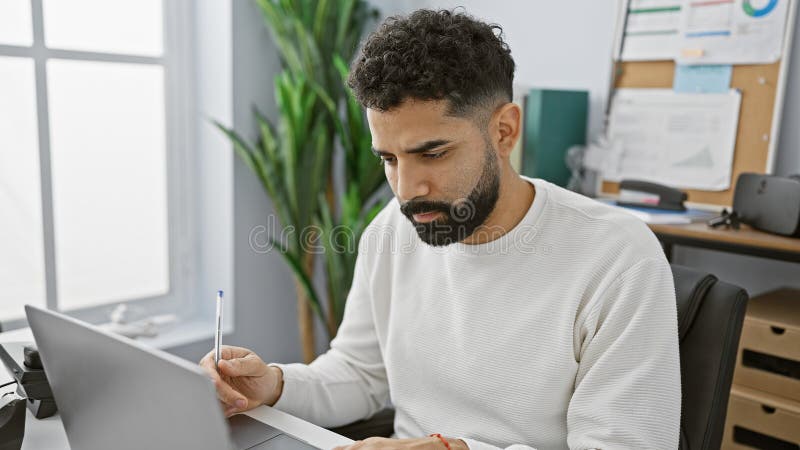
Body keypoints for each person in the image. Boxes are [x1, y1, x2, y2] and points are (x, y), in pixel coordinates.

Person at [200, 9, 680, 450]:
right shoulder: (390, 230)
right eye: (388, 158)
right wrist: (274, 384)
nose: (407, 189)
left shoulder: (616, 256)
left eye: (432, 153)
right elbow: (361, 373)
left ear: (505, 131)